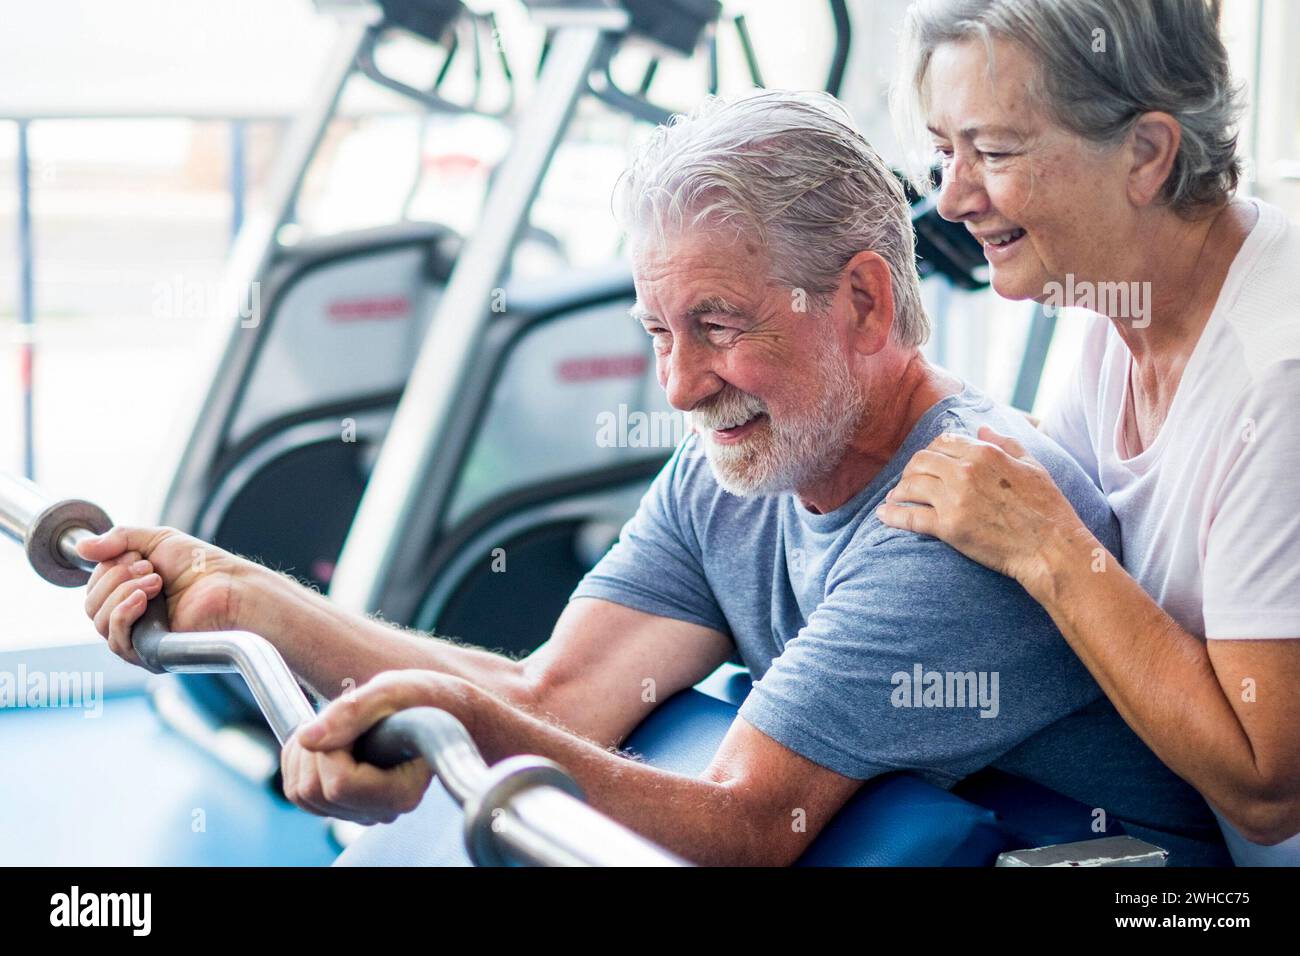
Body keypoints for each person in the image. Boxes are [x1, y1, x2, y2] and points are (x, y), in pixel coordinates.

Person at [81, 91, 1226, 865]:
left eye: (717, 325)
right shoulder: (724, 469)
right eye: (655, 330)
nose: (679, 386)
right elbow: (553, 702)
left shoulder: (961, 514)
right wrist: (247, 599)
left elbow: (740, 822)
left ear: (867, 303)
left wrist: (449, 719)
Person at [877, 0, 1300, 864]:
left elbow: (1270, 791)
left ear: (1145, 154)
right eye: (943, 150)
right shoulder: (1116, 296)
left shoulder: (1279, 377)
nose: (951, 198)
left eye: (992, 153)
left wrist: (1048, 545)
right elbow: (1060, 482)